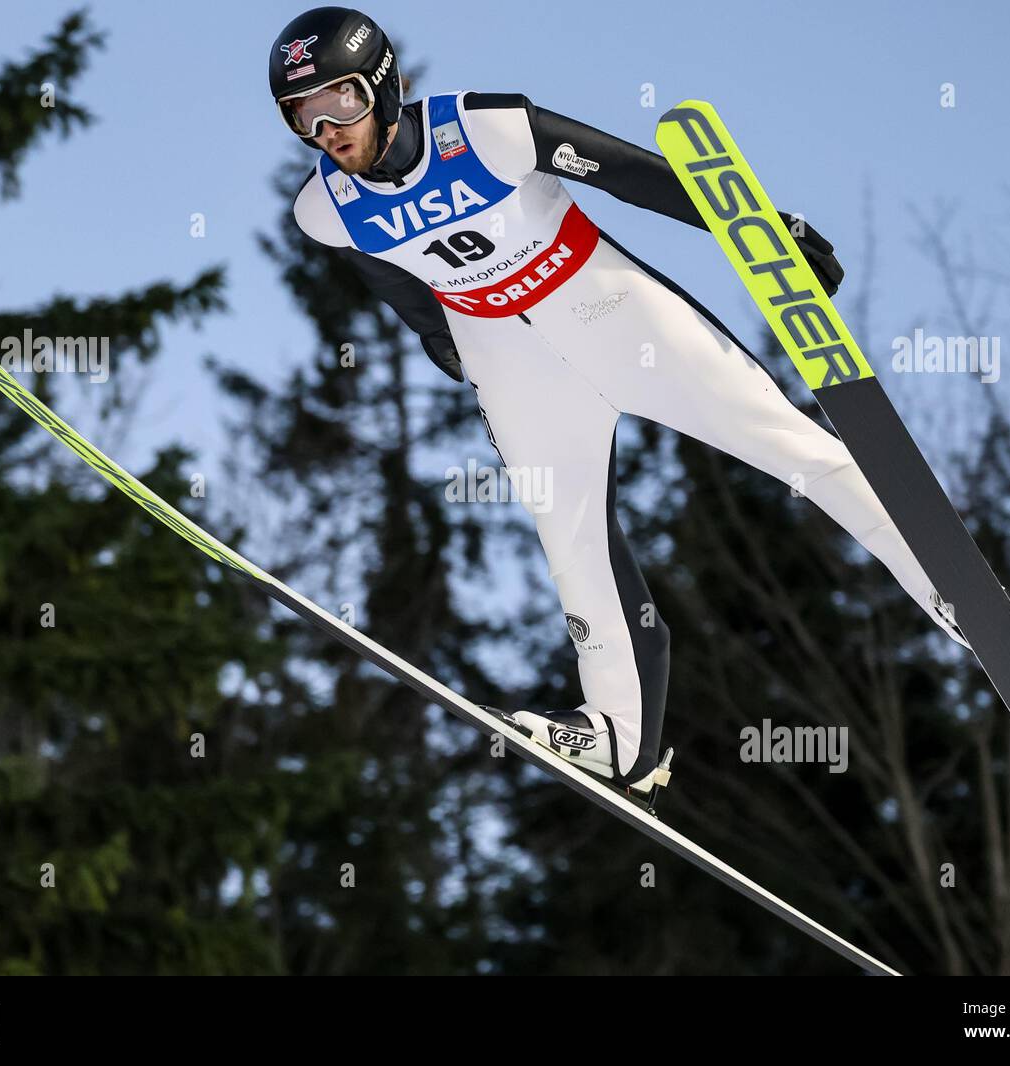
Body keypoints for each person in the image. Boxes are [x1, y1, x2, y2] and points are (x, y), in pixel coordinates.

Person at [270, 6, 967, 796]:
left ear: (386, 85)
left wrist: (761, 228)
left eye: (343, 102)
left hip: (608, 310)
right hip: (512, 361)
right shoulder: (323, 211)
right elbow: (401, 287)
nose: (328, 129)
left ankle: (944, 581)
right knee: (570, 541)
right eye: (304, 115)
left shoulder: (485, 130)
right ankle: (620, 738)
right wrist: (458, 359)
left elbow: (636, 175)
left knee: (785, 443)